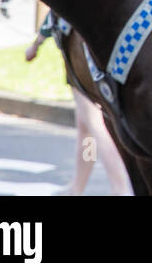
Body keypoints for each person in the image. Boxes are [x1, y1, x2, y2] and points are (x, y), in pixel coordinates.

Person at [26, 12, 132, 195]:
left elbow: (54, 10)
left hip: (84, 61)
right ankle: (78, 186)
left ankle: (120, 188)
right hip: (86, 57)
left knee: (95, 126)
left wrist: (37, 43)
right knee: (86, 130)